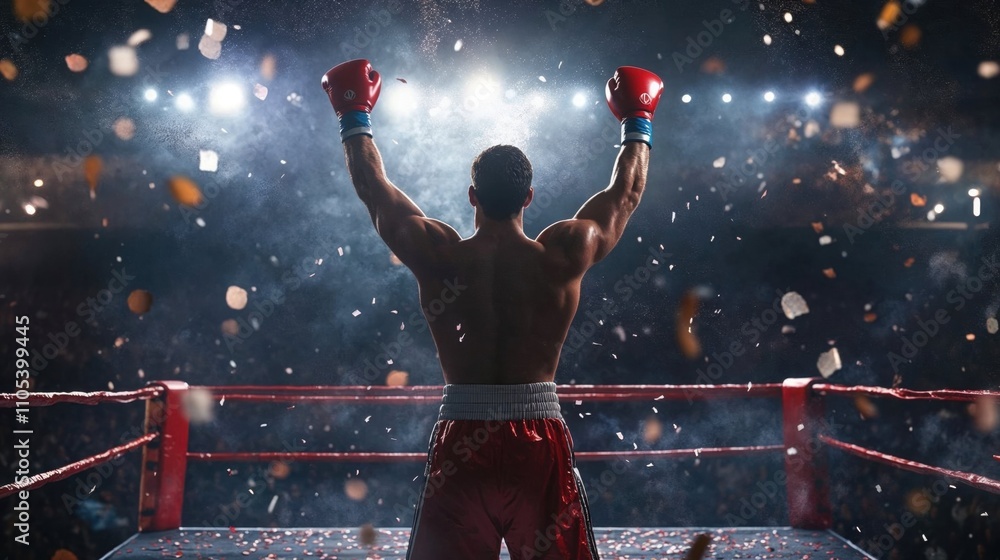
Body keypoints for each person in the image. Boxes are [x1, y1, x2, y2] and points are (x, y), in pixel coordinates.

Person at [322, 59, 663, 560]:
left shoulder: (439, 256)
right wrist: (638, 121)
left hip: (463, 438)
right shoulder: (563, 254)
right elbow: (626, 195)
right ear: (529, 197)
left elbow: (373, 189)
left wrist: (354, 116)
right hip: (538, 436)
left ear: (472, 196)